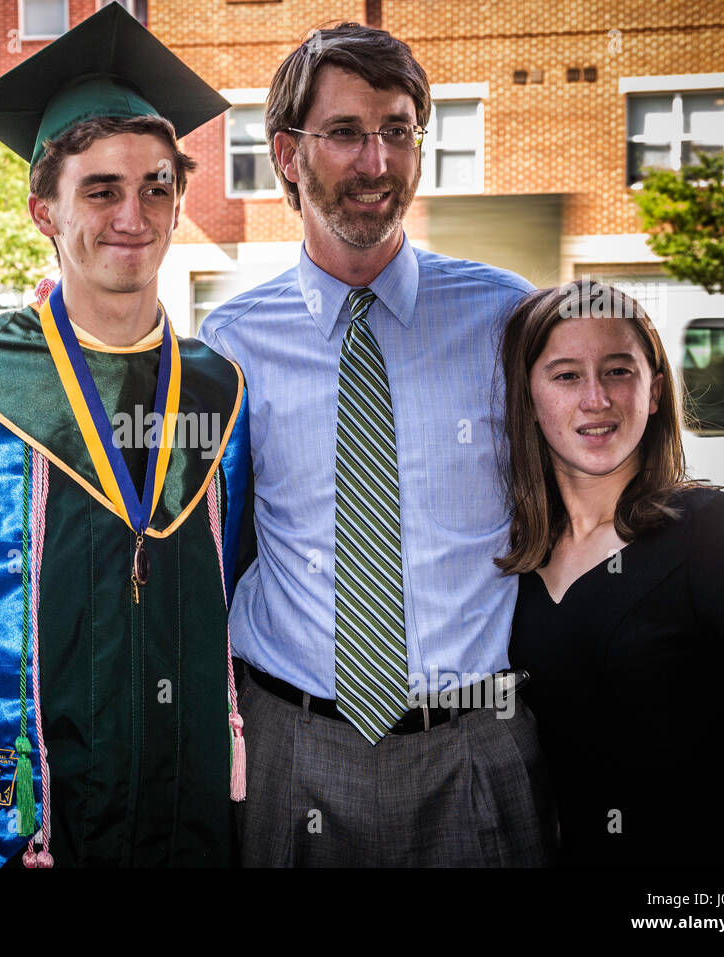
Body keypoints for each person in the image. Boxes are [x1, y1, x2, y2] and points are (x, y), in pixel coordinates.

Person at [198, 23, 554, 866]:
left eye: (398, 130)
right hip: (294, 747)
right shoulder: (229, 343)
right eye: (346, 133)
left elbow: (597, 500)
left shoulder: (506, 316)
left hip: (478, 744)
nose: (377, 161)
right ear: (287, 154)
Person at [0, 2, 252, 866]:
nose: (132, 215)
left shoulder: (219, 391)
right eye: (101, 190)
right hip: (37, 809)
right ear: (44, 210)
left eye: (156, 188)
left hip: (187, 805)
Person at [498, 282, 724, 867]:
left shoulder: (716, 532)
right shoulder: (514, 555)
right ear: (527, 397)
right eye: (566, 375)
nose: (596, 399)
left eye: (618, 371)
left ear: (655, 391)